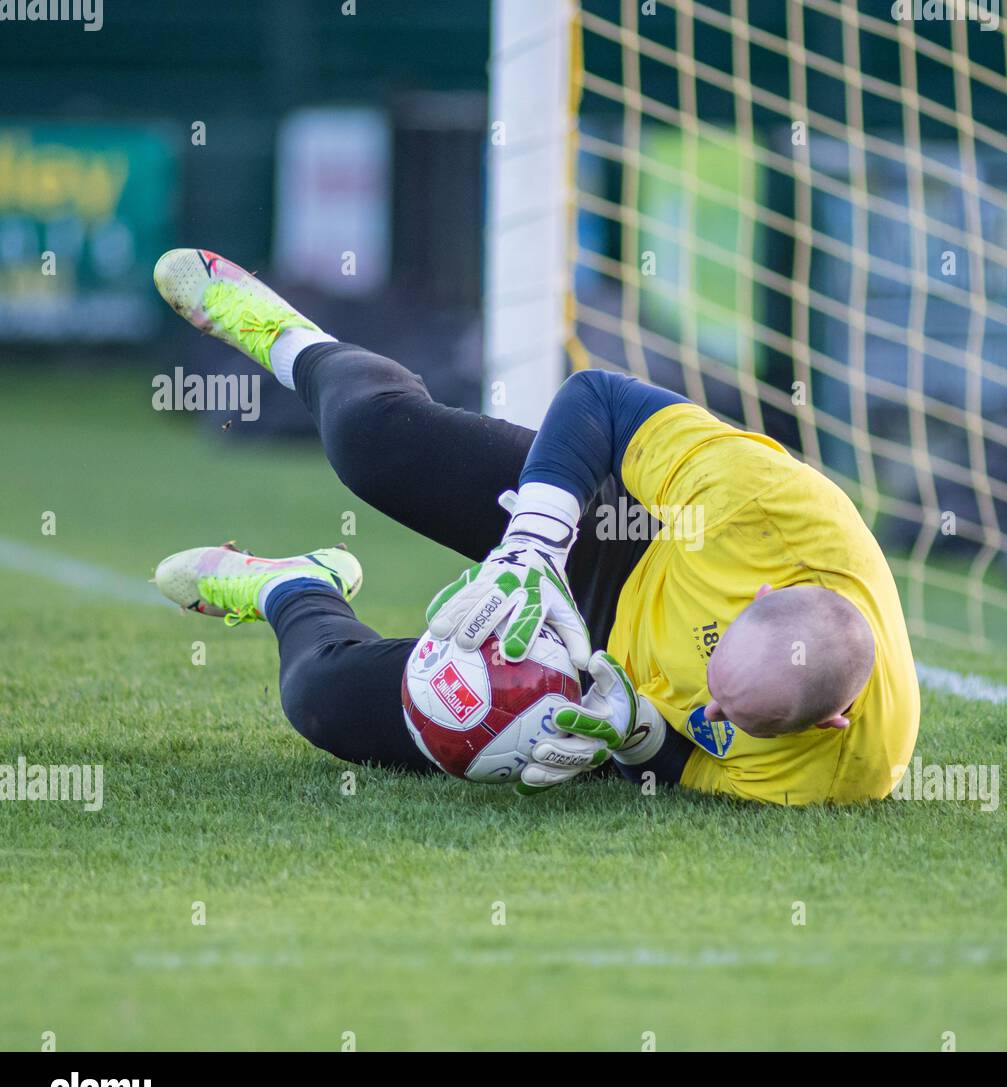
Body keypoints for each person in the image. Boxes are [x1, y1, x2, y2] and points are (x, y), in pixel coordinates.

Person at [151, 248, 920, 804]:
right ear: (758, 593)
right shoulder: (758, 507)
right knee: (371, 444)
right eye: (719, 688)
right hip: (631, 537)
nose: (710, 711)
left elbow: (685, 767)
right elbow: (599, 399)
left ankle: (293, 586)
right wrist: (533, 549)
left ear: (831, 722)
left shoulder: (835, 775)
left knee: (322, 699)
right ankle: (287, 338)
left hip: (602, 677)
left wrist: (634, 733)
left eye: (736, 718)